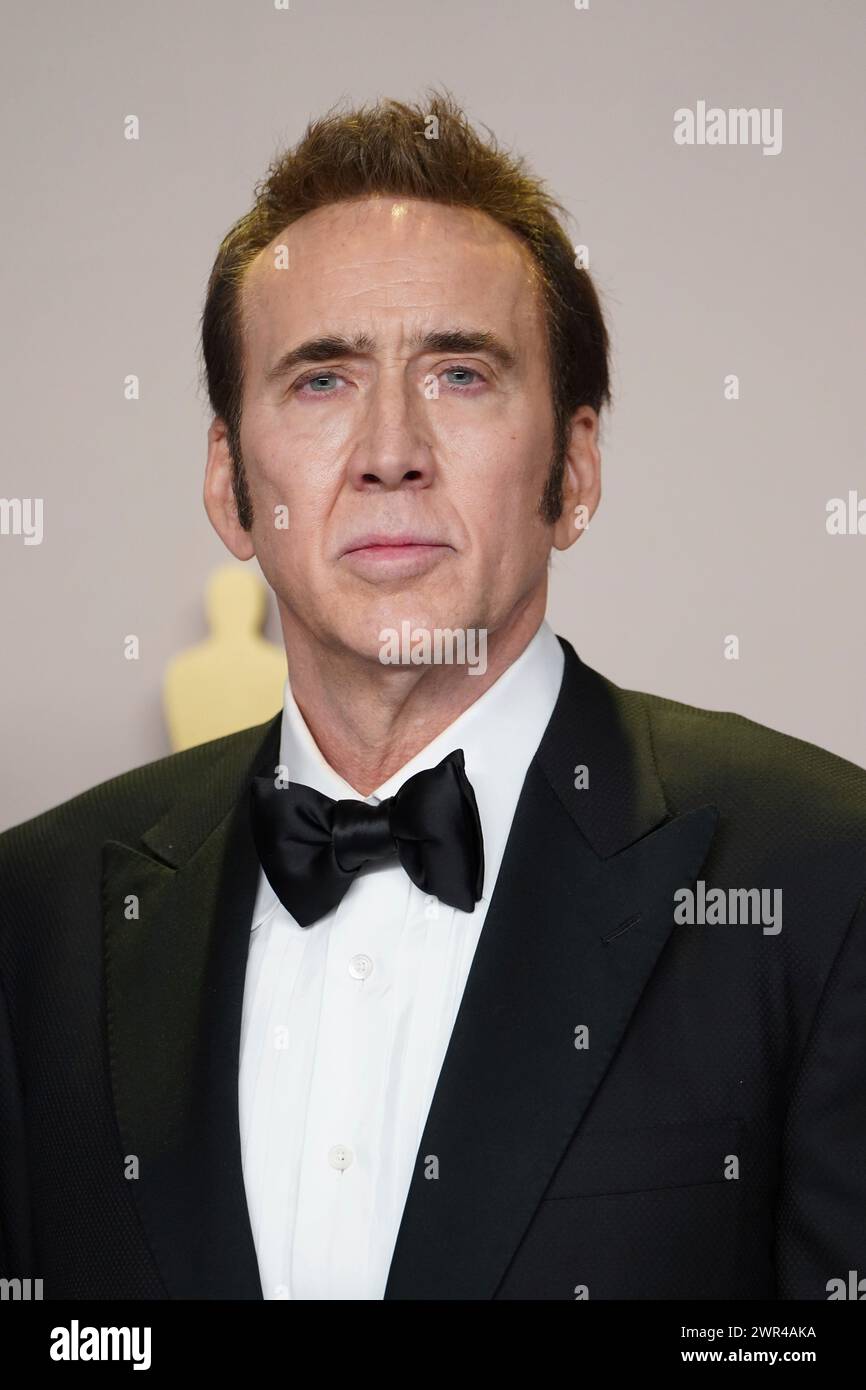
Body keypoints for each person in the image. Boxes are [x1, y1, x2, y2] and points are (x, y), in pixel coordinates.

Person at [1, 91, 864, 1302]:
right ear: (228, 484)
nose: (390, 447)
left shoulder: (824, 873)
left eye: (459, 373)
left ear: (571, 472)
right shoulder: (33, 915)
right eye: (319, 380)